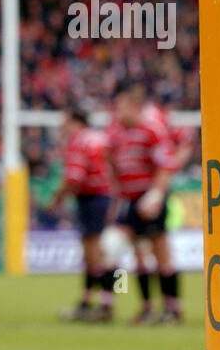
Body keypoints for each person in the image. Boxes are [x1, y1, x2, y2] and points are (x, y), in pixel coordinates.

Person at [106, 81, 180, 325]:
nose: (118, 111)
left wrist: (156, 195)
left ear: (135, 106)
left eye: (122, 106)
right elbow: (114, 165)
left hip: (149, 197)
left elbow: (165, 165)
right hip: (130, 200)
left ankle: (172, 309)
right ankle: (147, 308)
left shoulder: (152, 130)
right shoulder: (118, 134)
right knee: (137, 254)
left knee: (161, 251)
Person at [51, 107, 114, 322]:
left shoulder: (78, 141)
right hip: (106, 196)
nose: (62, 126)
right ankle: (94, 300)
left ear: (75, 122)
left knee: (94, 253)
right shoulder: (100, 137)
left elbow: (74, 177)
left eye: (65, 121)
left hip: (93, 198)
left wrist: (57, 198)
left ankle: (102, 303)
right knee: (97, 252)